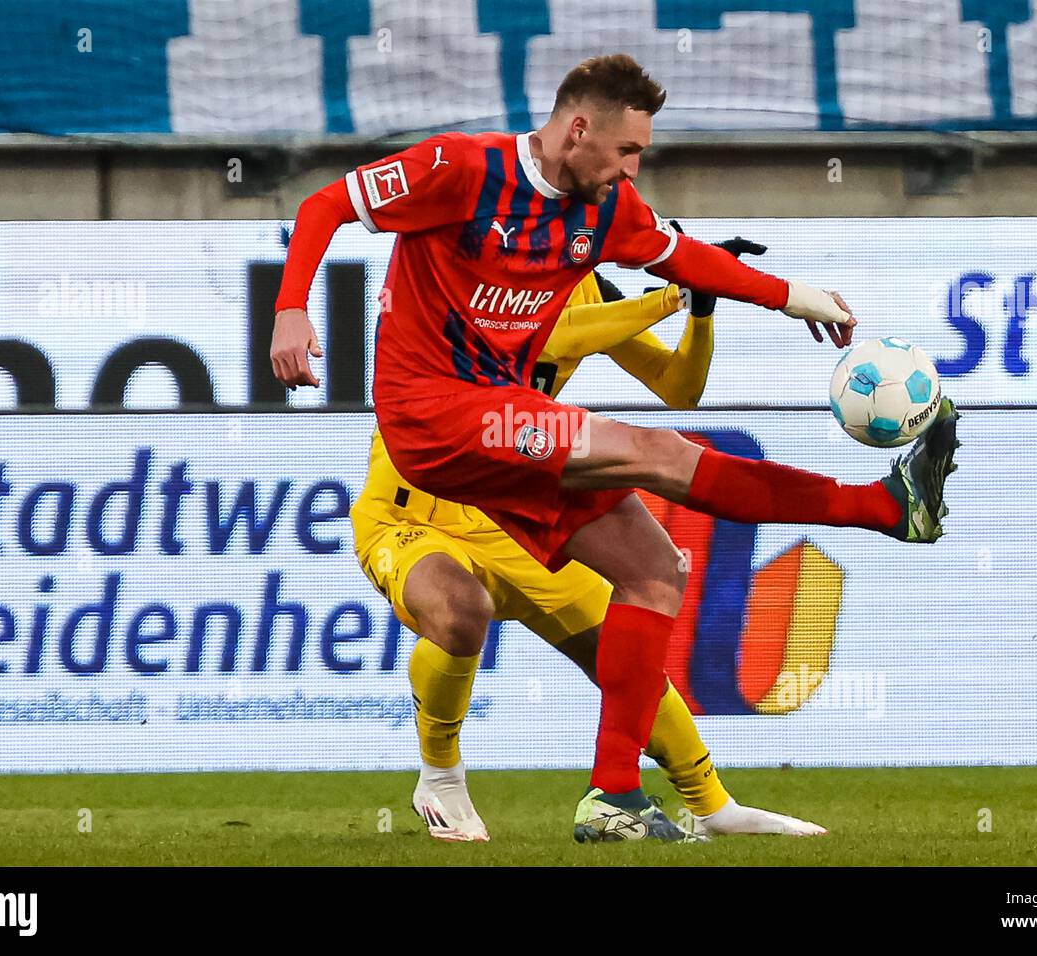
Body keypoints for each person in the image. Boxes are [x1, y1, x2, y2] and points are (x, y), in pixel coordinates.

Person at [273, 53, 959, 843]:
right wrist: (292, 309)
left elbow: (688, 259)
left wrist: (791, 296)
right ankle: (878, 505)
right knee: (654, 451)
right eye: (629, 150)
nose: (637, 166)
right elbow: (327, 203)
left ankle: (614, 797)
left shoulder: (604, 214)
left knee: (654, 571)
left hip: (504, 434)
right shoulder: (462, 169)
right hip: (432, 416)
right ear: (577, 129)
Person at [353, 255, 825, 842]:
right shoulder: (467, 260)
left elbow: (680, 388)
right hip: (413, 508)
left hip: (517, 515)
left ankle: (712, 808)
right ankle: (441, 776)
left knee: (622, 653)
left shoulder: (591, 288)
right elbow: (549, 333)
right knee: (460, 611)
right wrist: (670, 297)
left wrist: (700, 310)